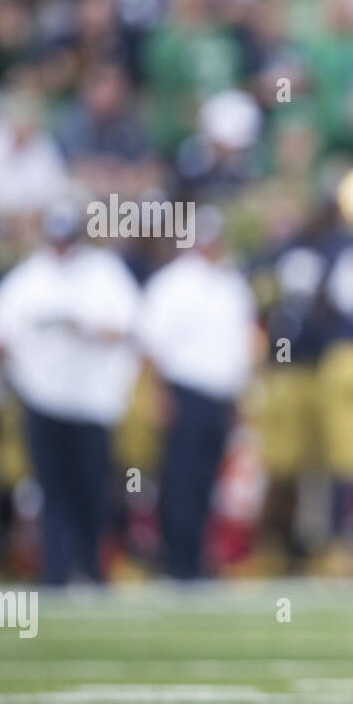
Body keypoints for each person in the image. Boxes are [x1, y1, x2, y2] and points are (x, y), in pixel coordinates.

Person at [0, 200, 140, 583]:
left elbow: (129, 327)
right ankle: (54, 573)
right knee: (51, 490)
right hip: (42, 398)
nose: (62, 248)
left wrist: (81, 327)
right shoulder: (27, 279)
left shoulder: (104, 272)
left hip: (93, 402)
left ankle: (91, 569)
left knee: (93, 488)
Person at [138, 214, 256, 579]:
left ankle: (198, 558)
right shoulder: (172, 283)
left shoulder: (232, 284)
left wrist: (238, 400)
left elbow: (240, 347)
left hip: (220, 396)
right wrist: (157, 392)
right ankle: (176, 560)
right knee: (180, 479)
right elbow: (151, 343)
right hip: (184, 391)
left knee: (207, 481)